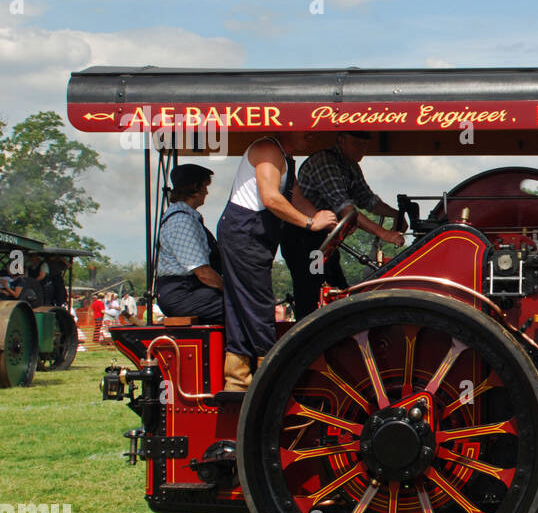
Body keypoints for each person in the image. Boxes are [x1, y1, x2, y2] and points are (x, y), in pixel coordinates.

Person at [217, 132, 335, 391]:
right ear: (290, 129)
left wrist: (323, 218)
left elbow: (294, 198)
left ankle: (238, 378)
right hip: (245, 232)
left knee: (244, 301)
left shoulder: (284, 156)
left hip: (252, 233)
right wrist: (309, 223)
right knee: (256, 303)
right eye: (306, 130)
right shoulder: (268, 150)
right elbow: (271, 198)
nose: (312, 136)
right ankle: (267, 377)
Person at [281, 130, 406, 319]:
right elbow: (346, 209)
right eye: (357, 144)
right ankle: (308, 339)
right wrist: (384, 234)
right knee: (309, 289)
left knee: (339, 288)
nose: (361, 150)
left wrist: (395, 214)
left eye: (364, 145)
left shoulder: (351, 167)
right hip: (302, 235)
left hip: (324, 236)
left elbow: (369, 201)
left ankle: (339, 329)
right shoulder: (324, 162)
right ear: (341, 140)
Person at [155, 163, 225, 324]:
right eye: (205, 187)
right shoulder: (182, 221)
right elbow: (204, 273)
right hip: (183, 293)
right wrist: (231, 291)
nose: (207, 192)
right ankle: (239, 349)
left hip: (187, 290)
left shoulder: (187, 218)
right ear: (194, 187)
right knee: (240, 308)